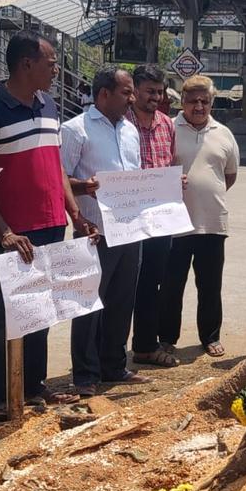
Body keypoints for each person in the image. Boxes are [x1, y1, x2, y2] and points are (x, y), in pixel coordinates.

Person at [0, 30, 93, 419]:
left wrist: (74, 213)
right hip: (15, 233)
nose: (56, 69)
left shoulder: (48, 105)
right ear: (26, 64)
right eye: (51, 62)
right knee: (12, 312)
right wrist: (3, 231)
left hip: (52, 222)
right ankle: (4, 397)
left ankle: (34, 386)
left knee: (44, 309)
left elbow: (54, 165)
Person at [61, 67, 153, 396]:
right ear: (103, 94)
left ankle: (113, 364)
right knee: (87, 304)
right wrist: (85, 188)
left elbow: (136, 174)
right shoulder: (75, 130)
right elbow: (60, 179)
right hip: (94, 231)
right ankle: (85, 374)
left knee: (121, 301)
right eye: (127, 92)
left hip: (130, 231)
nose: (133, 99)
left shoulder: (130, 130)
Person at [158, 75, 240, 358]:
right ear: (183, 101)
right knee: (170, 285)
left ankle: (210, 336)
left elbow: (229, 175)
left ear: (212, 102)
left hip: (213, 223)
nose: (199, 106)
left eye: (205, 101)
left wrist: (206, 191)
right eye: (193, 100)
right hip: (174, 224)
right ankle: (166, 338)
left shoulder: (224, 133)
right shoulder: (167, 128)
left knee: (210, 285)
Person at [127, 64, 179, 368]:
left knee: (152, 282)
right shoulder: (122, 123)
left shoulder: (166, 124)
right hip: (129, 218)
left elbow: (169, 160)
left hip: (160, 218)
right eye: (150, 92)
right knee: (124, 284)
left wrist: (175, 181)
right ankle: (111, 350)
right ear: (134, 91)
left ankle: (145, 346)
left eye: (159, 92)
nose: (155, 98)